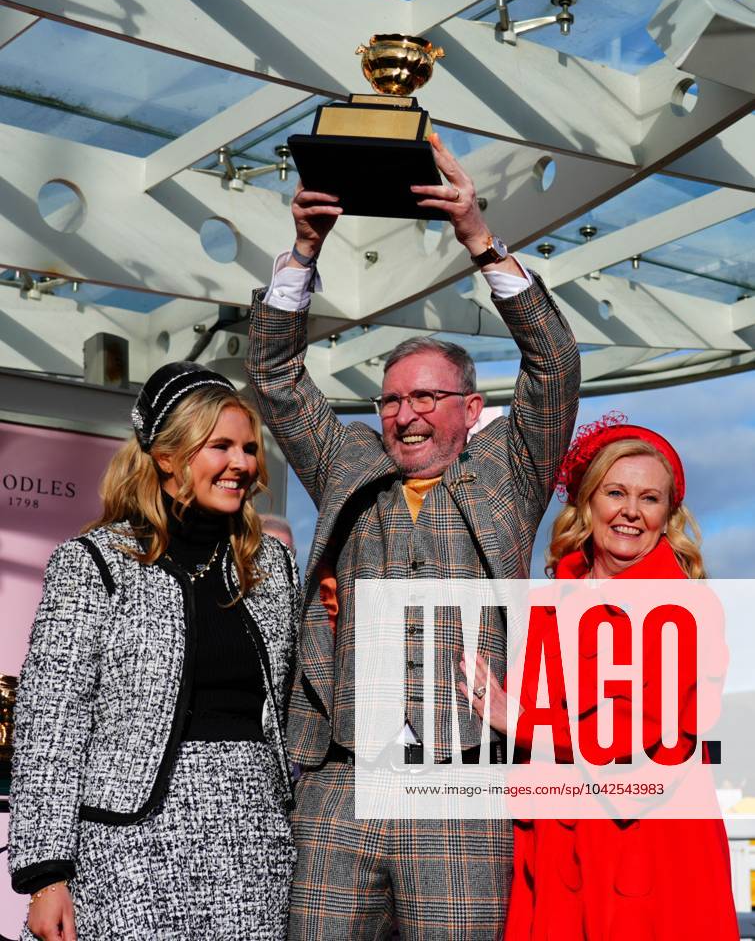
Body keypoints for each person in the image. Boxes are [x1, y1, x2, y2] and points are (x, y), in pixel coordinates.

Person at [246, 133, 581, 939]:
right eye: (392, 400)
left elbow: (555, 365)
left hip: (459, 793)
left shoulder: (510, 471)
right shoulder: (348, 463)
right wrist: (302, 250)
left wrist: (477, 238)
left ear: (470, 410)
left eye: (428, 397)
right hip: (339, 786)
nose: (406, 413)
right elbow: (276, 377)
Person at [9, 362, 300, 941]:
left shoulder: (272, 565)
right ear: (167, 455)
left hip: (253, 842)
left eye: (248, 448)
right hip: (126, 844)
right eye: (219, 446)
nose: (241, 464)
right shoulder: (94, 562)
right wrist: (45, 876)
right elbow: (52, 725)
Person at [464, 414, 739, 940]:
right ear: (588, 502)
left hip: (644, 847)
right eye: (616, 492)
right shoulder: (552, 601)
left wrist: (518, 723)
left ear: (668, 515)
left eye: (650, 499)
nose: (631, 512)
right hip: (554, 846)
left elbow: (644, 736)